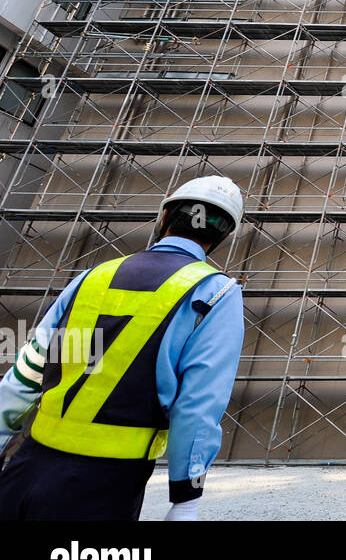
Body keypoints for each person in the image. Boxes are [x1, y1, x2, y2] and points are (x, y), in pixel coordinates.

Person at [0, 176, 245, 521]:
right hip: (105, 487)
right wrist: (186, 499)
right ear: (222, 237)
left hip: (25, 469)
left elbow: (27, 371)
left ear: (163, 219)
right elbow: (198, 405)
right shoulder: (216, 294)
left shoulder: (92, 276)